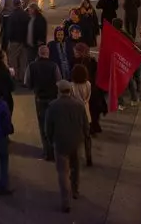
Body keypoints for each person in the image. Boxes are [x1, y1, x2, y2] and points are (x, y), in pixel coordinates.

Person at [45, 81, 90, 214]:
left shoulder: (52, 106)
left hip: (60, 143)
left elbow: (48, 128)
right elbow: (86, 125)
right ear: (70, 91)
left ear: (59, 91)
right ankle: (75, 190)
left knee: (63, 173)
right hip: (76, 141)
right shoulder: (79, 105)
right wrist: (84, 136)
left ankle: (66, 202)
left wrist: (50, 140)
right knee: (76, 167)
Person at [27, 45, 61, 161]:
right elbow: (59, 81)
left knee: (42, 126)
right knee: (53, 125)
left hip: (40, 99)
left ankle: (47, 152)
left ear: (38, 53)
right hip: (53, 99)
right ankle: (54, 149)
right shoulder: (54, 66)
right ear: (48, 54)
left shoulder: (32, 66)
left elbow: (28, 82)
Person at [69, 64, 93, 166]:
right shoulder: (88, 84)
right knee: (87, 136)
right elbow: (88, 97)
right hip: (86, 112)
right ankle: (89, 157)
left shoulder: (71, 85)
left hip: (75, 114)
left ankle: (74, 158)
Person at [3, 0, 30, 80]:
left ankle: (14, 77)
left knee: (13, 60)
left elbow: (9, 30)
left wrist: (8, 40)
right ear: (20, 5)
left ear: (13, 5)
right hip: (24, 41)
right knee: (23, 61)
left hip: (14, 41)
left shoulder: (12, 16)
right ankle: (23, 77)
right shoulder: (26, 15)